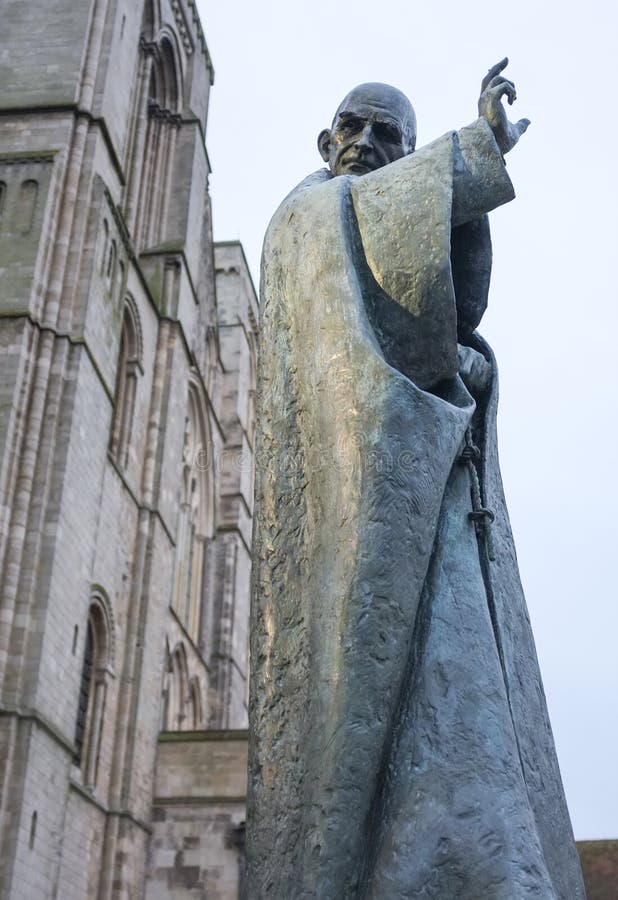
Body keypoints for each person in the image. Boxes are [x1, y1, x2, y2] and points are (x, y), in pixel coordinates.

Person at [247, 61, 586, 899]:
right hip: (368, 528)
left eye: (386, 138)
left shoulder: (374, 212)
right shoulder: (305, 218)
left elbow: (436, 320)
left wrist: (464, 364)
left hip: (437, 510)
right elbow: (376, 241)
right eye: (350, 130)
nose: (363, 146)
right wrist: (473, 150)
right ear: (326, 143)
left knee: (467, 722)